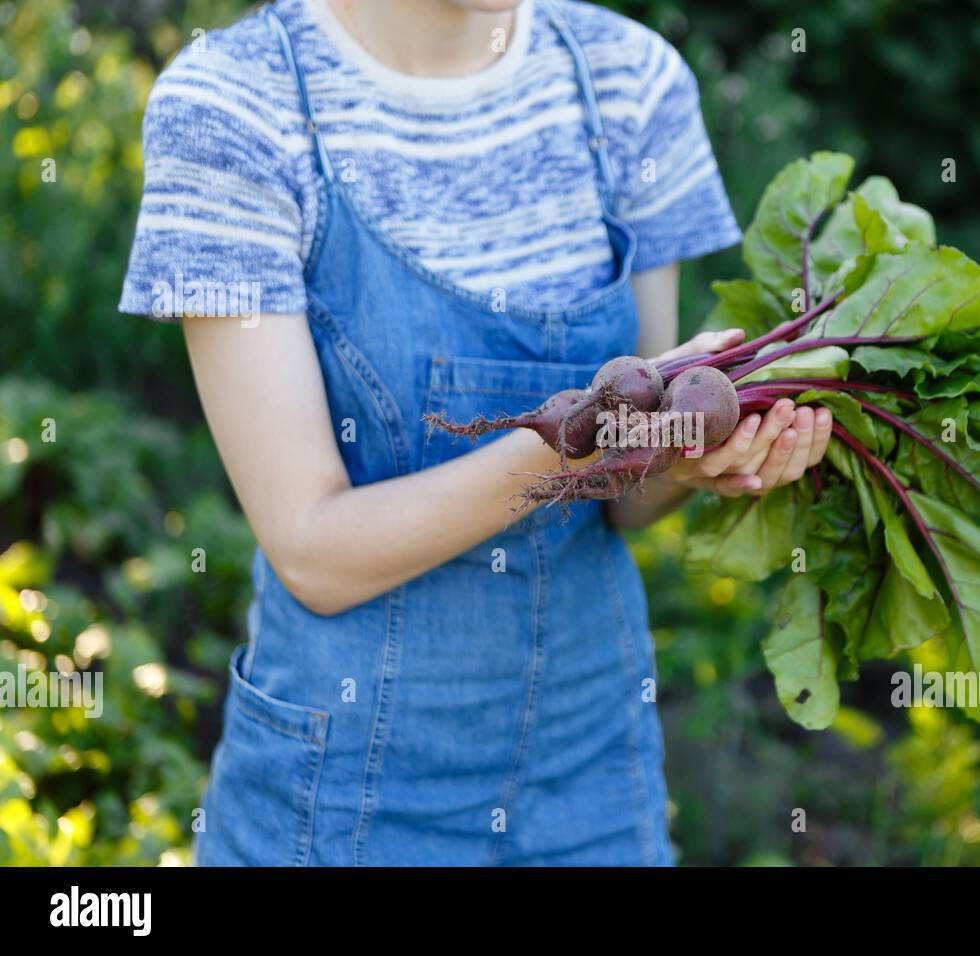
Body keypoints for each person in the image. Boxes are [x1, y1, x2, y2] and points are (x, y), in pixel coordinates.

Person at [119, 0, 832, 865]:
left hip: (591, 776)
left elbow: (626, 506)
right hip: (348, 792)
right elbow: (314, 551)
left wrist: (689, 459)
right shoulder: (237, 105)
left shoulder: (626, 82)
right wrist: (596, 434)